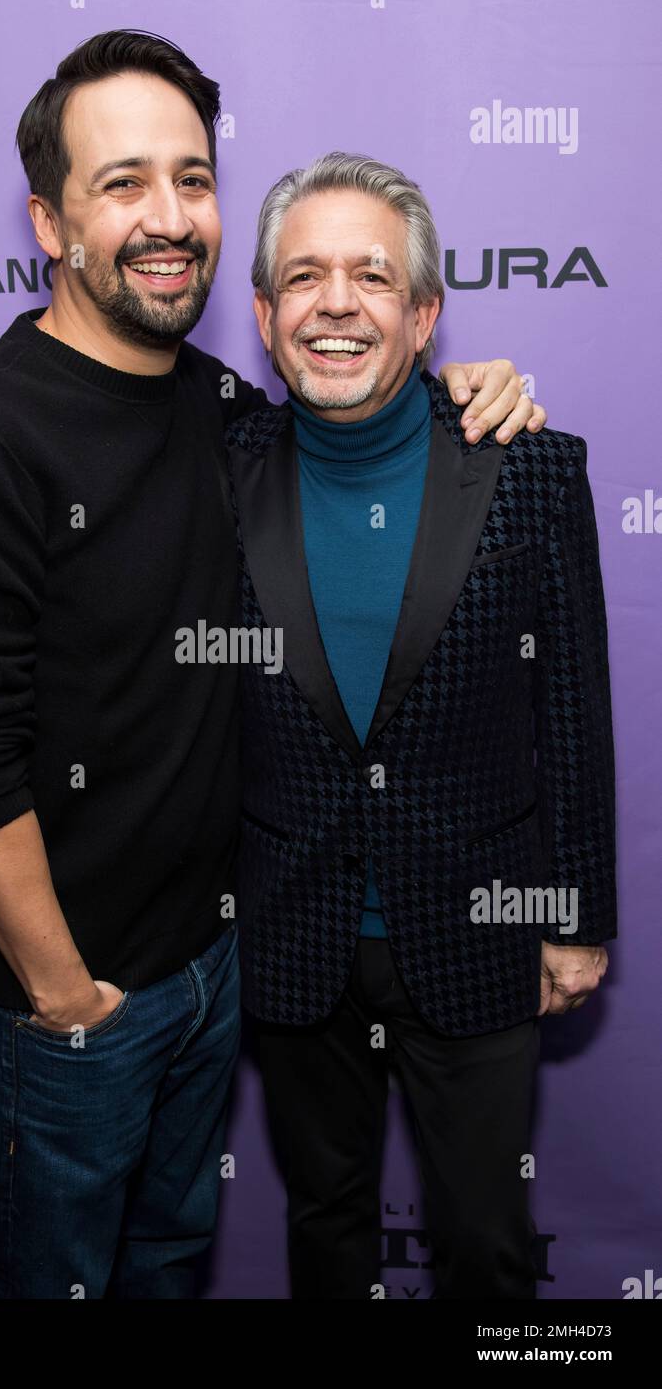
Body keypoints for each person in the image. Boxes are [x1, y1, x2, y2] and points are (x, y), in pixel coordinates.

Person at [0, 31, 545, 1300]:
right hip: (62, 1012)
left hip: (213, 979)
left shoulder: (226, 416)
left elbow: (363, 427)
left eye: (191, 178)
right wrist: (68, 998)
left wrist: (466, 387)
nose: (168, 215)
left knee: (170, 1275)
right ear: (48, 221)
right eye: (120, 182)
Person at [226, 152, 616, 1299]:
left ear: (423, 315)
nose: (334, 302)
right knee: (325, 1228)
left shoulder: (530, 470)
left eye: (370, 277)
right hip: (292, 936)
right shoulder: (214, 461)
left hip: (479, 928)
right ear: (261, 313)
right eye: (302, 277)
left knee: (486, 1245)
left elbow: (573, 714)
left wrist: (576, 916)